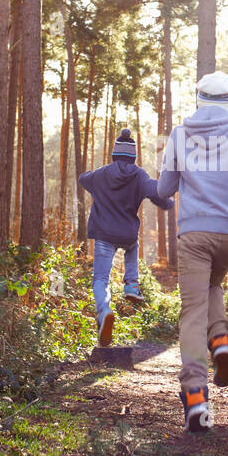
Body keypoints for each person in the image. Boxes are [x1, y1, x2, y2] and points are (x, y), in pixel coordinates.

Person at [157, 71, 228, 431]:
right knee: (214, 286)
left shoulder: (180, 134)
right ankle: (220, 341)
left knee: (192, 311)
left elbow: (165, 186)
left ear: (199, 99)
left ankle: (196, 395)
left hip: (195, 233)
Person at [78, 128, 173, 346]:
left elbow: (84, 179)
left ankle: (104, 313)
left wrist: (99, 180)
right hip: (128, 233)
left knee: (100, 279)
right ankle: (131, 285)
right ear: (133, 156)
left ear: (114, 155)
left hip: (103, 234)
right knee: (132, 248)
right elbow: (155, 191)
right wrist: (168, 203)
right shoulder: (139, 175)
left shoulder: (102, 174)